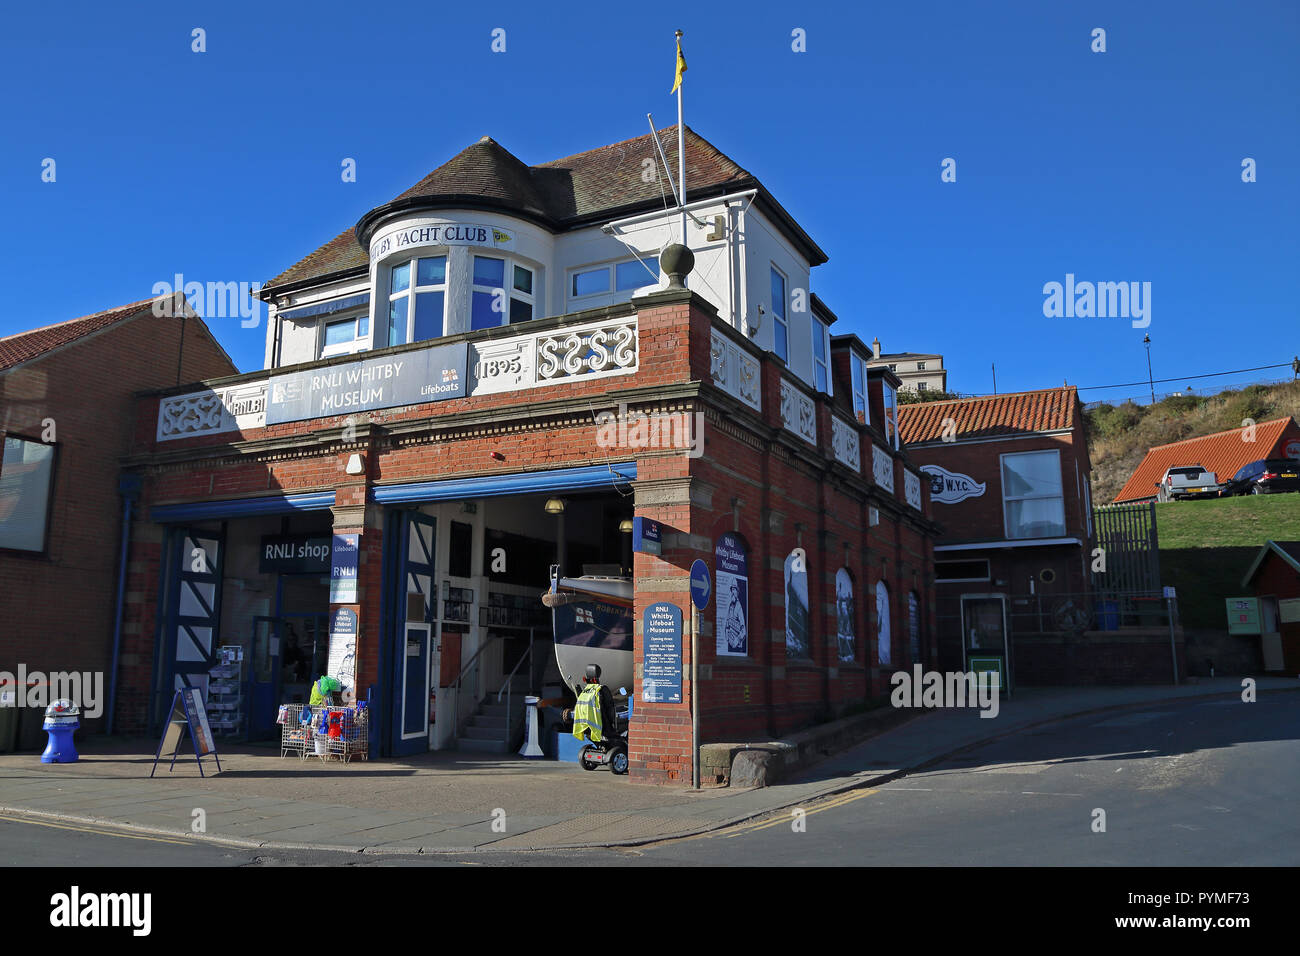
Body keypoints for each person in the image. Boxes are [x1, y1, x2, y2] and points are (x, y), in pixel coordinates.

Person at [571, 665, 617, 743]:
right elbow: (610, 710)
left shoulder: (584, 691)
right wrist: (611, 726)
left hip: (585, 728)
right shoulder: (602, 689)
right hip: (600, 728)